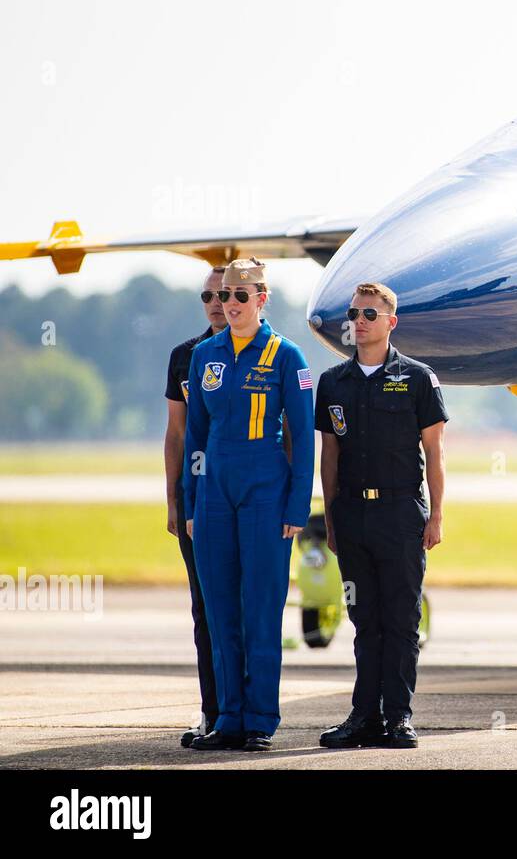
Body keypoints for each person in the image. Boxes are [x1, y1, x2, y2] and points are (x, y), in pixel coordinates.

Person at [182, 257, 315, 752]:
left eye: (241, 295)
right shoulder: (205, 355)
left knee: (260, 606)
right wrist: (191, 502)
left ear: (262, 298)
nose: (229, 304)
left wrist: (296, 508)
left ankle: (259, 718)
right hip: (215, 491)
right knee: (219, 609)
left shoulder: (287, 356)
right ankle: (228, 717)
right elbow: (195, 434)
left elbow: (302, 439)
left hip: (265, 491)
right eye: (223, 296)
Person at [317, 282, 446, 750]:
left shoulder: (417, 378)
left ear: (391, 322)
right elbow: (328, 456)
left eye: (370, 314)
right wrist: (331, 518)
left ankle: (398, 718)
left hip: (400, 513)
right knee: (364, 620)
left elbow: (435, 453)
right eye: (354, 314)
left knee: (401, 621)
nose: (360, 321)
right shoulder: (333, 382)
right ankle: (363, 717)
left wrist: (435, 517)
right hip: (352, 514)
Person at [164, 266, 227, 748]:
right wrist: (174, 499)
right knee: (205, 609)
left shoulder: (275, 354)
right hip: (196, 501)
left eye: (224, 293)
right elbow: (177, 434)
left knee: (248, 608)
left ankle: (248, 712)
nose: (214, 301)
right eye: (207, 294)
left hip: (249, 499)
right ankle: (213, 712)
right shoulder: (186, 357)